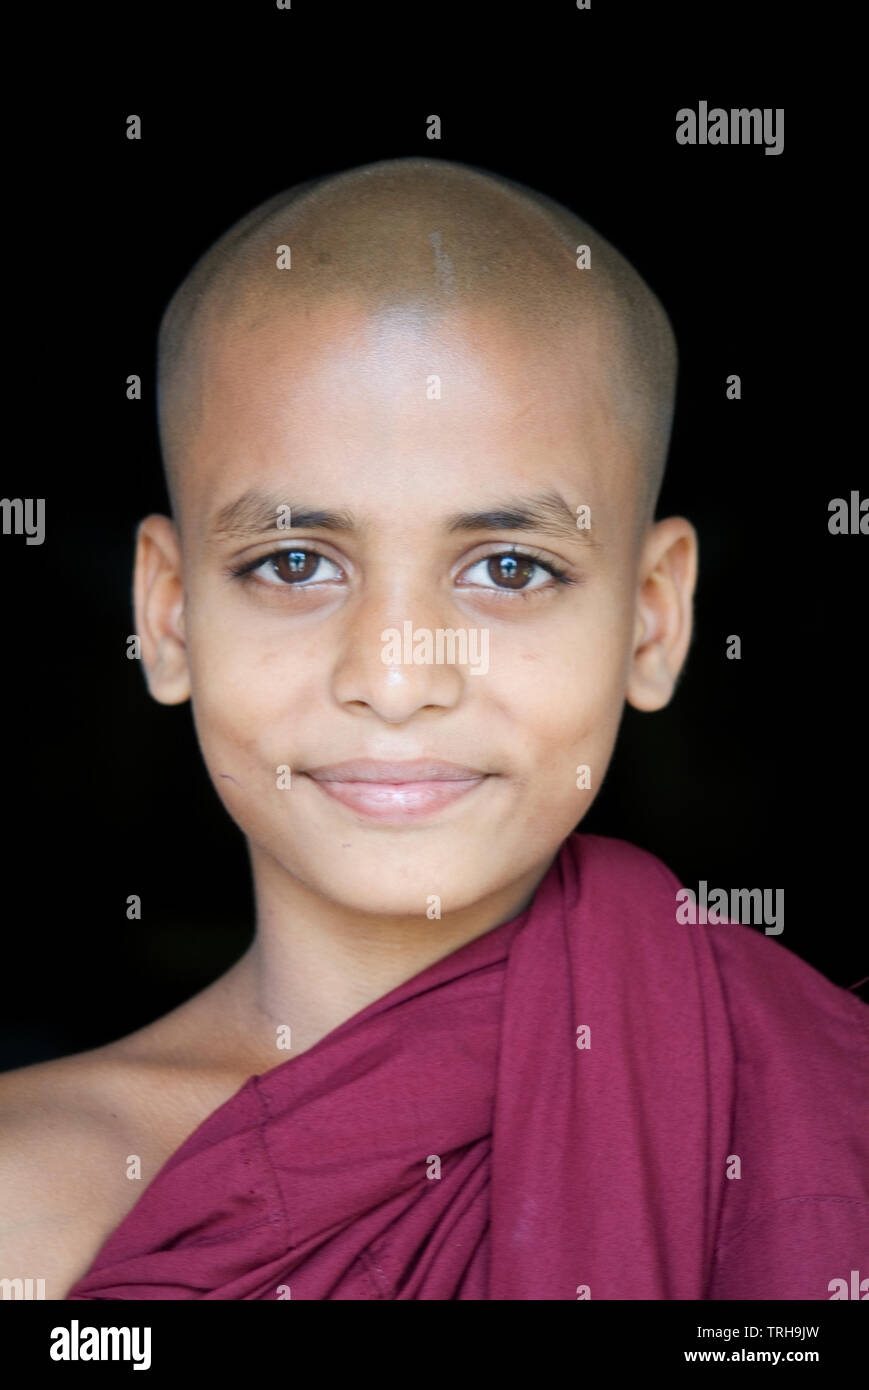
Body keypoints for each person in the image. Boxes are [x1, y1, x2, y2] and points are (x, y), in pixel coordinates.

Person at [1, 157, 865, 1300]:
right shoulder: (26, 1198)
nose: (398, 678)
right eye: (293, 563)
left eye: (508, 567)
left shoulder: (827, 1110)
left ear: (652, 622)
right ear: (165, 617)